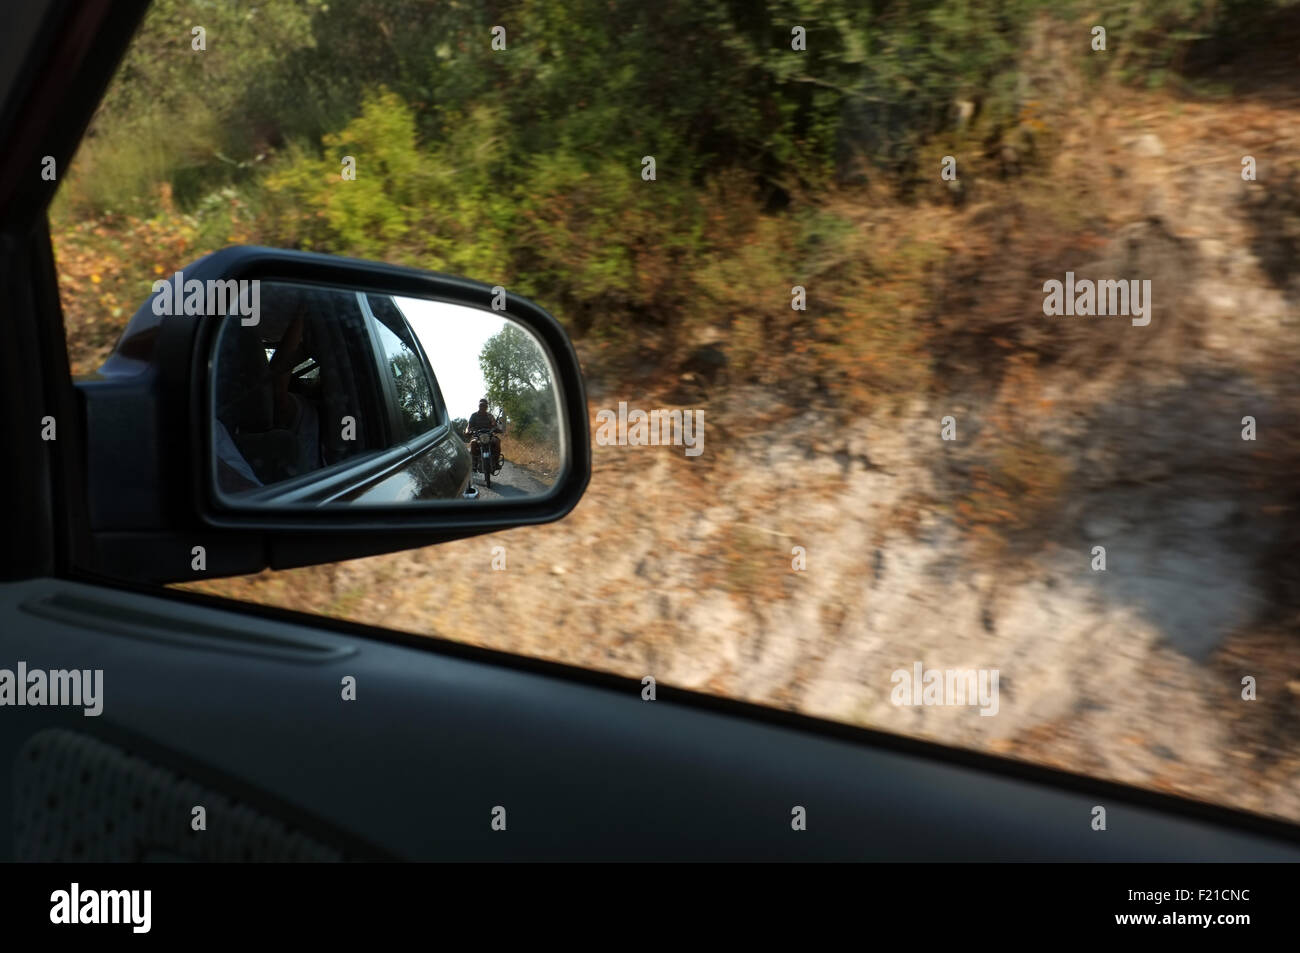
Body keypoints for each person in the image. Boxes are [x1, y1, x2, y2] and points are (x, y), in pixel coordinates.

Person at [467, 399, 502, 464]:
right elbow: (469, 425)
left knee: (497, 442)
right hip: (477, 435)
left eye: (485, 406)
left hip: (489, 435)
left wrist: (497, 429)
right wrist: (468, 431)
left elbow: (494, 424)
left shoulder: (490, 416)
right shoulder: (474, 415)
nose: (483, 407)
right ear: (479, 406)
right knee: (473, 443)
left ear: (487, 407)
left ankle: (496, 461)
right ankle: (474, 462)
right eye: (481, 405)